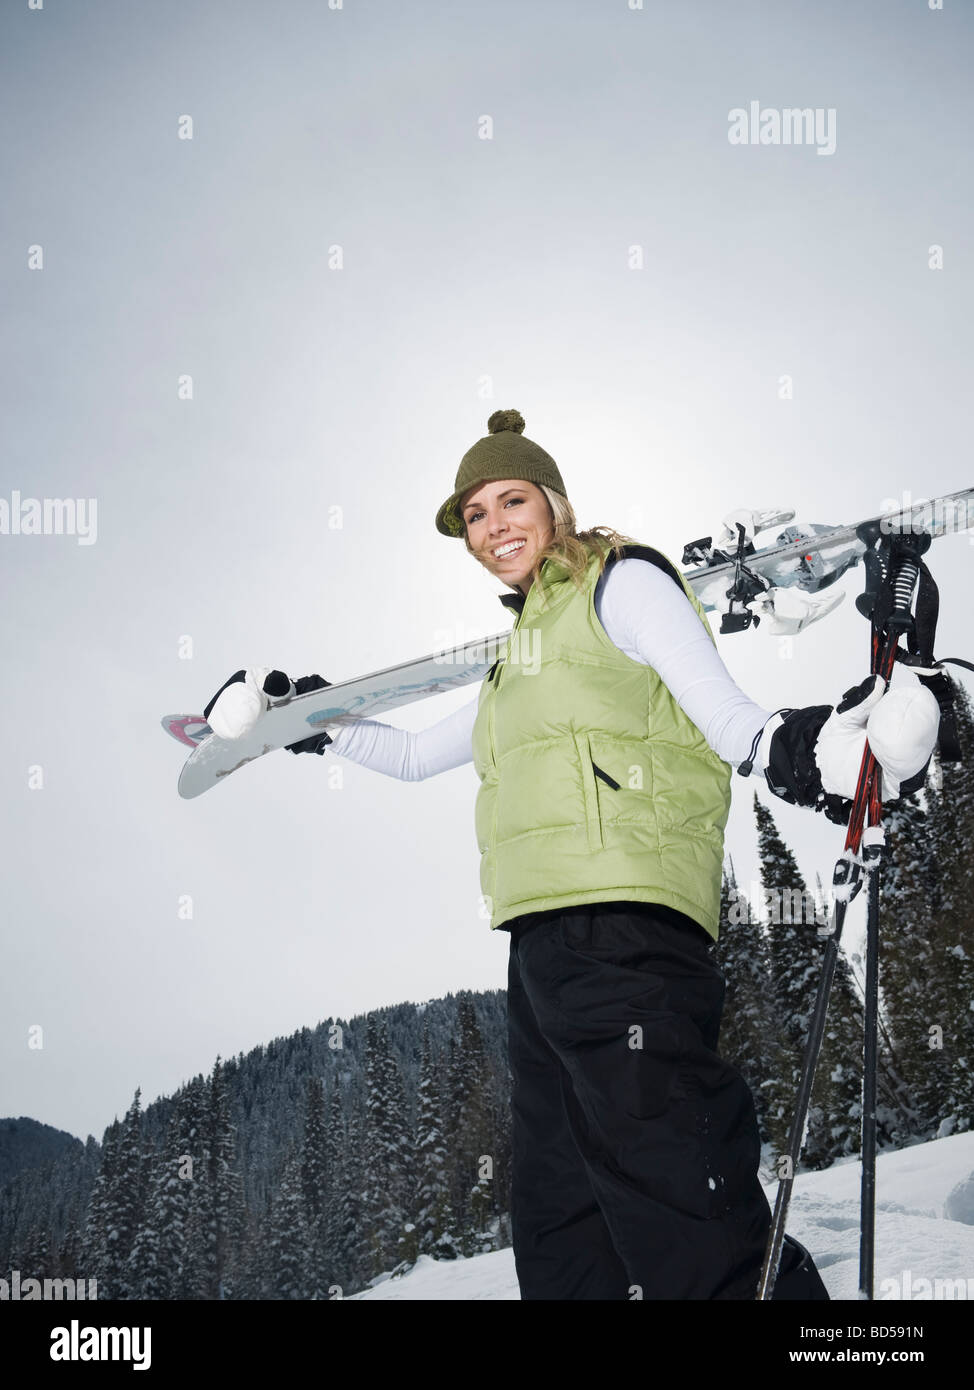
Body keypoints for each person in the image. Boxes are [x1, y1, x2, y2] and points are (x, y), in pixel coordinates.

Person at [205, 409, 940, 1300]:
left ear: (552, 503)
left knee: (675, 1190)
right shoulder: (517, 657)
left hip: (627, 927)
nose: (493, 527)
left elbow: (722, 708)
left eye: (511, 500)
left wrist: (793, 751)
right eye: (475, 516)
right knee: (561, 1224)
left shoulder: (621, 584)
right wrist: (322, 728)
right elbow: (411, 756)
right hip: (541, 949)